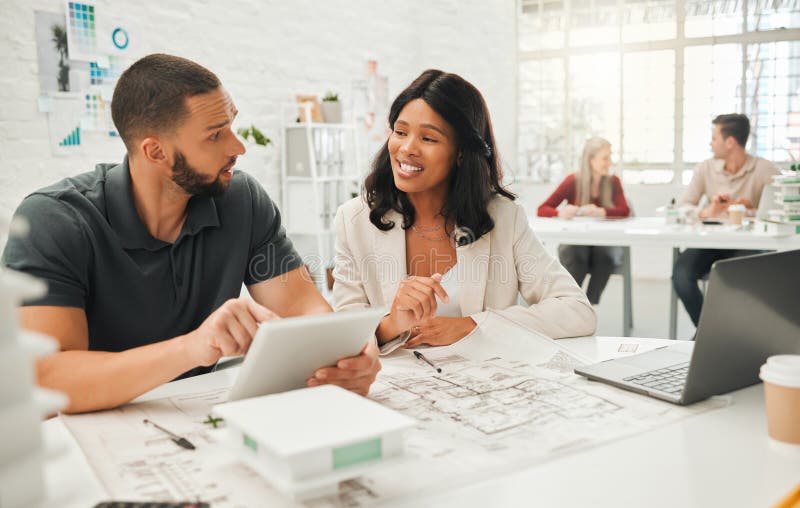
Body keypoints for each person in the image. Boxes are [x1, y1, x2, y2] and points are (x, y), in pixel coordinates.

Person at [1, 54, 380, 413]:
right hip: (92, 432)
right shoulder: (54, 220)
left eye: (231, 124)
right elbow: (47, 377)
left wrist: (345, 353)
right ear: (155, 152)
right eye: (215, 136)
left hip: (196, 417)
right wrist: (193, 348)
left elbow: (302, 308)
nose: (238, 146)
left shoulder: (241, 200)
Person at [332, 69, 595, 349]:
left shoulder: (504, 218)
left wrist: (472, 326)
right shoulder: (354, 220)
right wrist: (391, 323)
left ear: (461, 152)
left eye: (428, 138)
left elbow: (577, 310)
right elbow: (343, 333)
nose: (407, 148)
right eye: (400, 132)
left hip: (482, 385)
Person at [673, 113, 779, 327]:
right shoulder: (705, 169)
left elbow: (780, 212)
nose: (710, 144)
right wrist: (707, 211)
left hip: (747, 245)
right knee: (681, 275)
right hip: (709, 243)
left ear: (730, 142)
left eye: (714, 139)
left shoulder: (763, 169)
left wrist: (751, 210)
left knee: (739, 280)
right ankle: (708, 330)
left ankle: (736, 333)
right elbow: (682, 208)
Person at [537, 137, 631, 304]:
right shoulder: (572, 181)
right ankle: (573, 304)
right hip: (576, 242)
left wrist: (601, 211)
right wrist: (560, 213)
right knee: (576, 255)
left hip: (603, 242)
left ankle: (589, 305)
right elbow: (543, 208)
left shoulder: (613, 182)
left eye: (610, 157)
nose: (609, 162)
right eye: (605, 158)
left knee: (606, 256)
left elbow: (625, 210)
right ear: (590, 160)